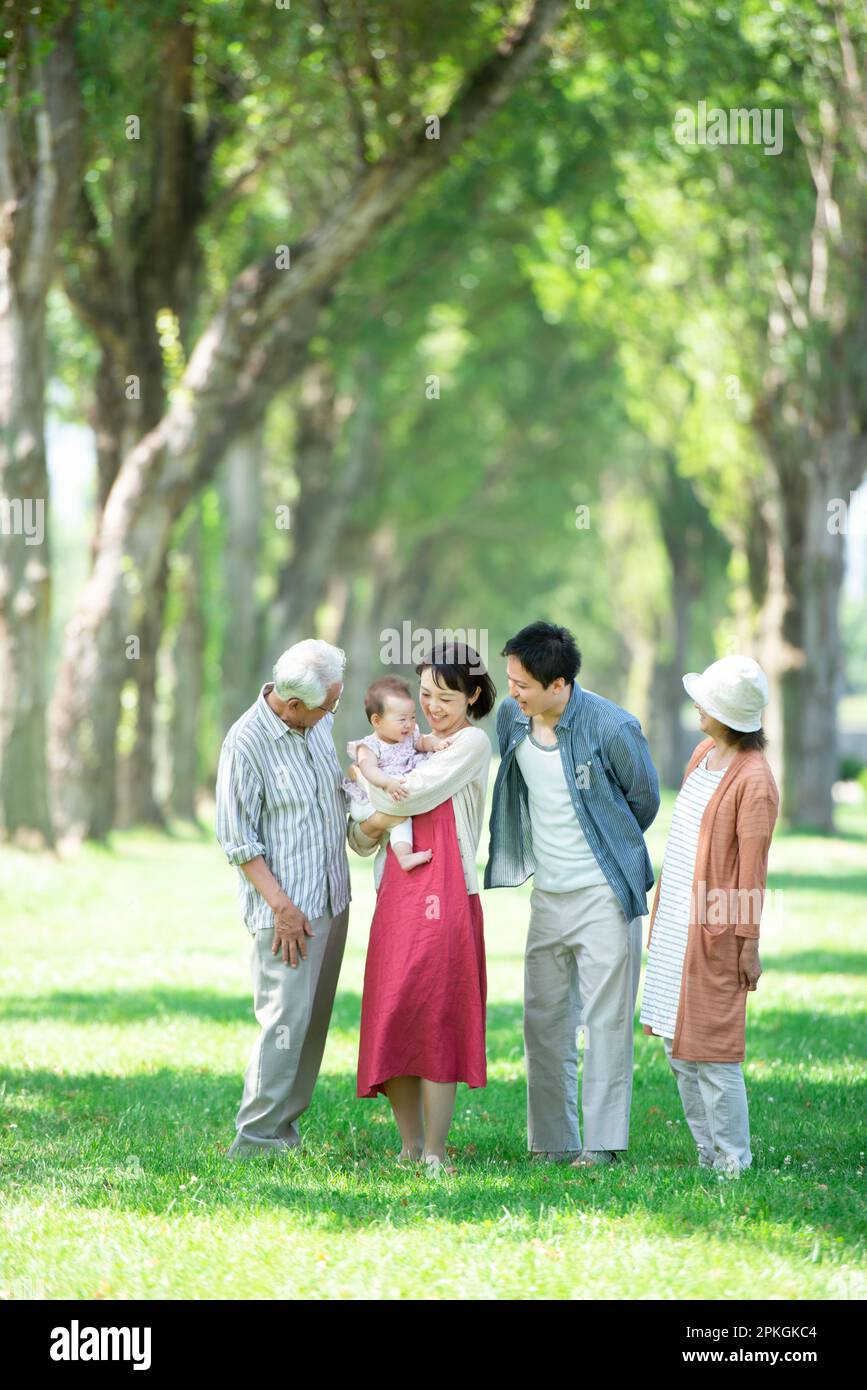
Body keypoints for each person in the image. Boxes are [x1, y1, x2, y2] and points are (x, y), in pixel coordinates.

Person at [485, 620, 660, 1167]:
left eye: (523, 683)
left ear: (558, 685)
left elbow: (644, 801)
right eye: (510, 678)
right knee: (543, 1020)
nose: (512, 691)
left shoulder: (612, 727)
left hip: (604, 893)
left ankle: (602, 1145)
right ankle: (553, 1142)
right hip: (549, 896)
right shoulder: (512, 719)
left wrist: (606, 844)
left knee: (606, 1022)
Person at [215, 638, 382, 1159]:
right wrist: (282, 909)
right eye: (326, 706)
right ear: (292, 705)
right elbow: (238, 841)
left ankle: (283, 1132)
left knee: (310, 1024)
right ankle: (254, 1138)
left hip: (332, 897)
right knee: (284, 1022)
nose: (333, 712)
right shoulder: (245, 744)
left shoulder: (316, 723)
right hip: (286, 913)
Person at [349, 645, 495, 1177]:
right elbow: (363, 837)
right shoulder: (400, 739)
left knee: (438, 1013)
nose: (431, 707)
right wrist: (369, 816)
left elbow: (408, 795)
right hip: (397, 892)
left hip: (448, 895)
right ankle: (409, 1145)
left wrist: (368, 783)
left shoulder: (471, 743)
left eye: (446, 697)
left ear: (473, 696)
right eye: (426, 695)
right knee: (397, 1011)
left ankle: (436, 1149)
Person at [639, 654, 779, 1178]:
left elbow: (753, 869)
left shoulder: (755, 780)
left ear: (731, 716)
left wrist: (747, 941)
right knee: (680, 1048)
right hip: (679, 922)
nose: (699, 706)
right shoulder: (703, 753)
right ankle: (708, 1155)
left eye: (710, 702)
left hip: (717, 929)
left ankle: (733, 1162)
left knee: (715, 1054)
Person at [343, 675, 453, 879]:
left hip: (391, 796)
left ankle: (402, 856)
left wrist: (435, 744)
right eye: (402, 719)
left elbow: (422, 742)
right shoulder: (369, 746)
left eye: (412, 717)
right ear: (377, 721)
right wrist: (387, 783)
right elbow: (368, 770)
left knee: (400, 821)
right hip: (367, 802)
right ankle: (405, 857)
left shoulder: (409, 735)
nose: (409, 725)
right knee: (401, 821)